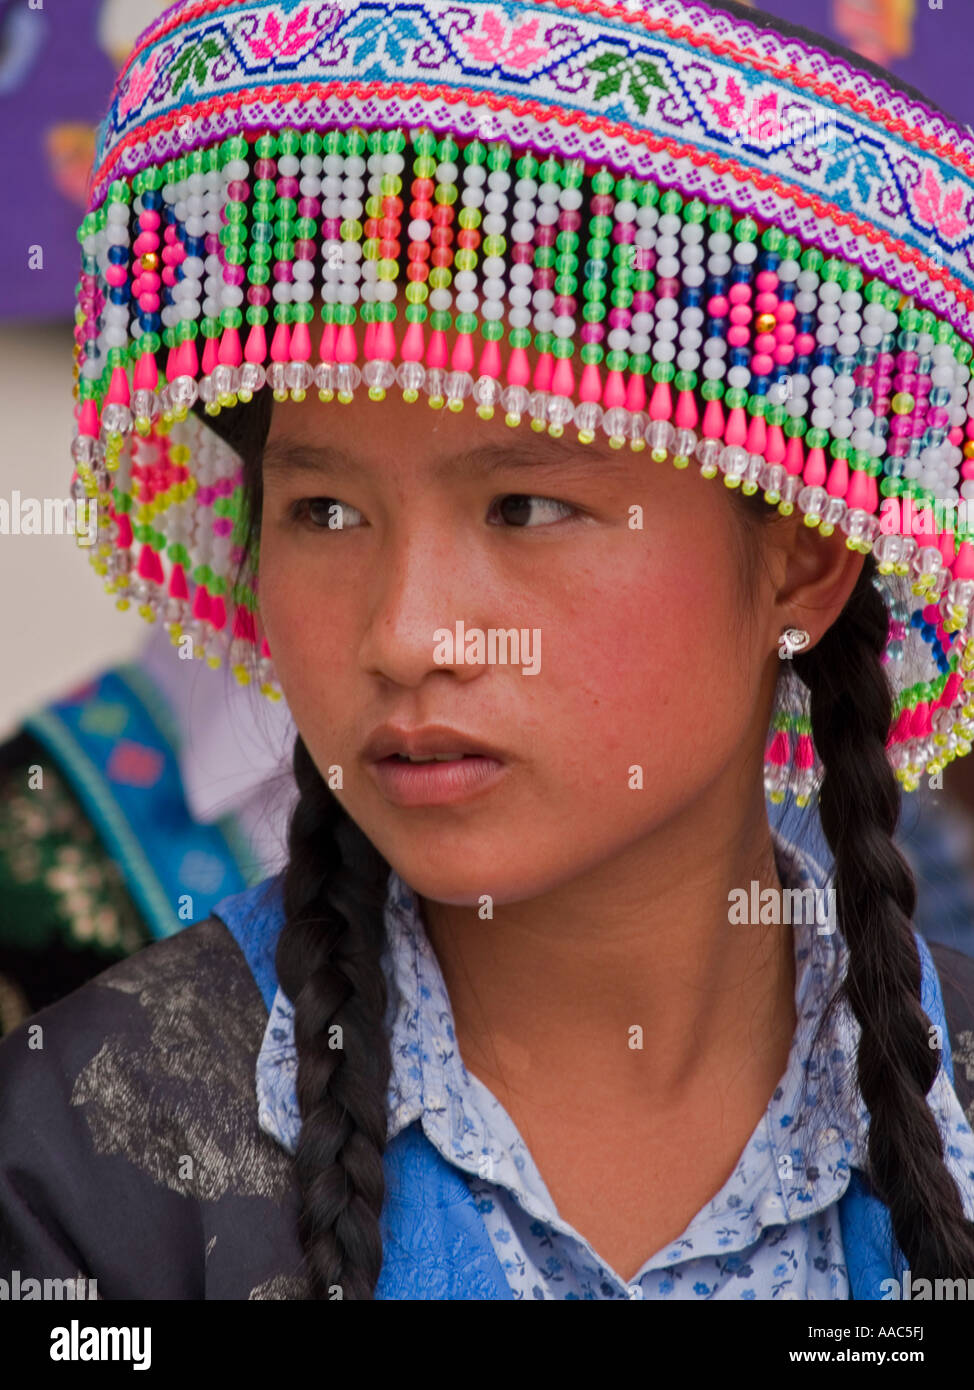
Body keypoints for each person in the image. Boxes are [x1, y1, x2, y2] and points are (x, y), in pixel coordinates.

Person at [2, 0, 974, 1301]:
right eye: (324, 511)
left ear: (799, 560)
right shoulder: (84, 1155)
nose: (404, 635)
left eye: (524, 509)